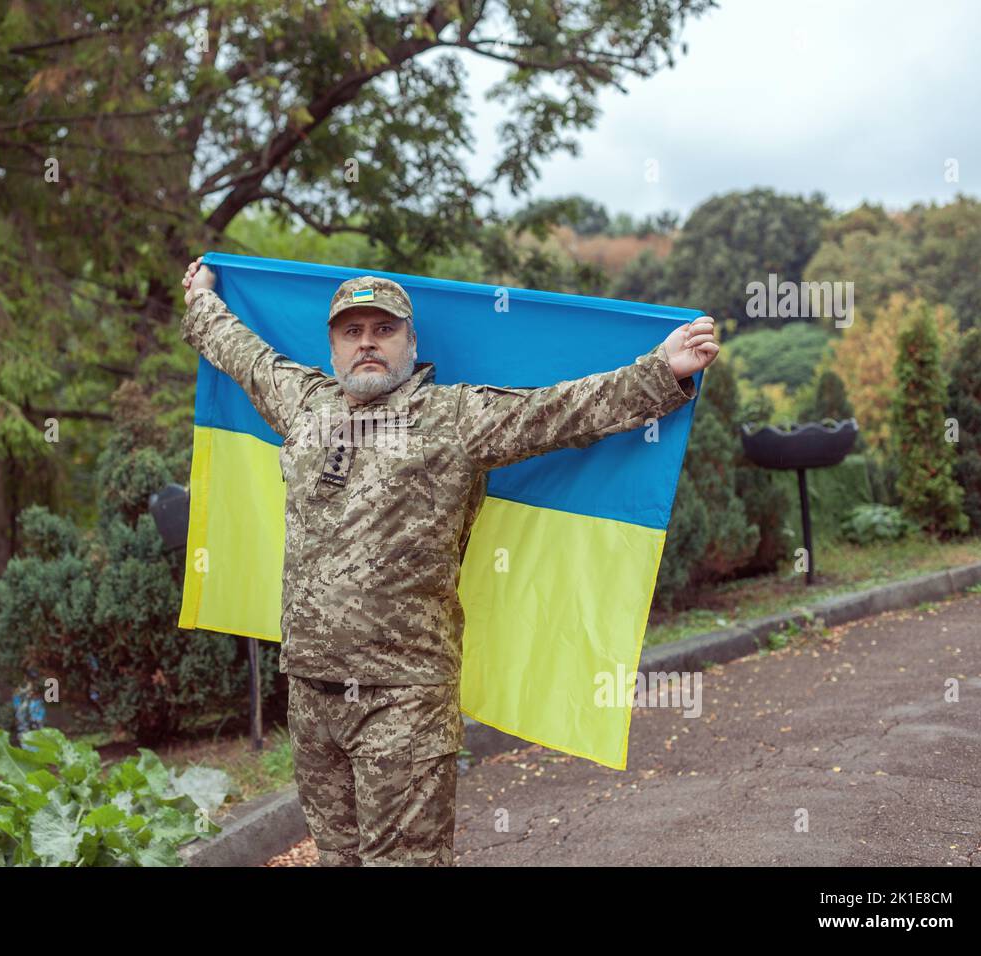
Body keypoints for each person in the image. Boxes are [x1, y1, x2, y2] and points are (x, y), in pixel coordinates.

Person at [179, 254, 720, 865]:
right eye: (352, 332)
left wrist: (660, 372)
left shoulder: (454, 417)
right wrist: (201, 299)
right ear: (331, 345)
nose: (367, 344)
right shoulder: (306, 406)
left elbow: (560, 411)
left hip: (403, 698)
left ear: (411, 340)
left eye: (383, 330)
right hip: (311, 690)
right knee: (337, 860)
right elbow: (243, 354)